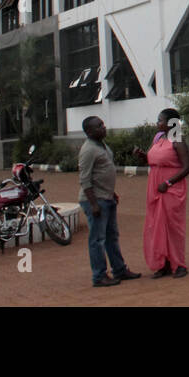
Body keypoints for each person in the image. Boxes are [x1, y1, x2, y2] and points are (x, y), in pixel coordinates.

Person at [77, 115, 140, 287]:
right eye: (99, 126)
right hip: (95, 201)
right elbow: (84, 179)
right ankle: (99, 276)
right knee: (97, 240)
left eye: (103, 124)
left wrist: (112, 193)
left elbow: (103, 172)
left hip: (107, 198)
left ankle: (119, 269)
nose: (103, 128)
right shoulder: (88, 150)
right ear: (89, 131)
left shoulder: (102, 145)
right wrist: (94, 204)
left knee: (112, 236)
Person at [133, 108, 189, 278]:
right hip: (155, 186)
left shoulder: (178, 141)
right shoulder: (158, 138)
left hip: (171, 187)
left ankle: (179, 264)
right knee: (156, 225)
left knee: (172, 226)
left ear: (171, 123)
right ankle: (163, 263)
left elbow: (188, 167)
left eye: (160, 120)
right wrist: (142, 156)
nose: (157, 123)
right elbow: (154, 160)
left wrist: (168, 182)